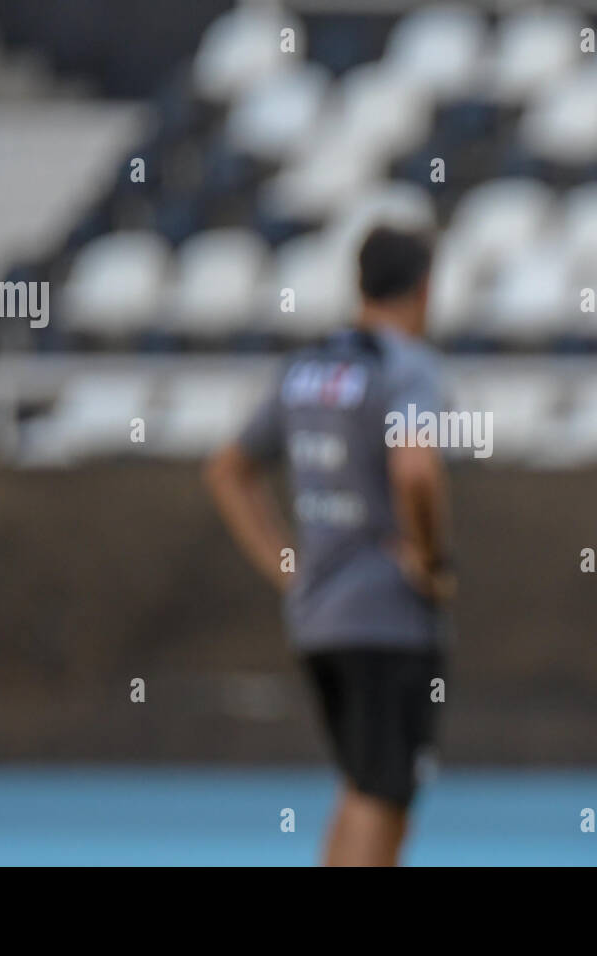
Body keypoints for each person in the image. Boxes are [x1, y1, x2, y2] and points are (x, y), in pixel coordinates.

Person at [204, 225, 452, 866]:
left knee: (360, 783)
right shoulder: (405, 367)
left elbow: (228, 469)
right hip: (386, 618)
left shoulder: (306, 368)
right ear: (424, 288)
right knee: (384, 789)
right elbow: (417, 470)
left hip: (316, 615)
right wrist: (426, 559)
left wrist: (286, 565)